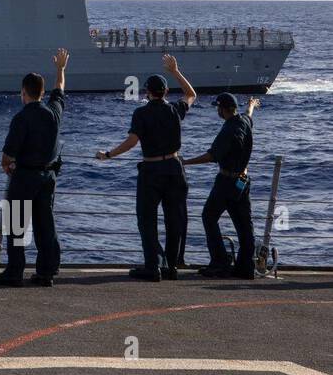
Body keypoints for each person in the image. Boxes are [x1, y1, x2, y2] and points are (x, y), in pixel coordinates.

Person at [95, 54, 197, 281]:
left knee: (146, 219)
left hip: (151, 171)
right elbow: (191, 94)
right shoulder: (174, 110)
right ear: (166, 92)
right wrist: (175, 71)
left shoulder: (141, 113)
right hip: (174, 167)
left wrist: (108, 154)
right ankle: (171, 267)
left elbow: (132, 142)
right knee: (174, 220)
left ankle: (153, 266)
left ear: (147, 92)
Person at [0, 48, 67, 287]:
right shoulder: (54, 112)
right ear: (42, 93)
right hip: (48, 177)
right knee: (46, 225)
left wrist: (8, 166)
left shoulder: (21, 118)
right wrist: (61, 69)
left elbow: (7, 156)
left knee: (16, 226)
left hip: (24, 177)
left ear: (23, 92)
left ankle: (14, 272)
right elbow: (60, 90)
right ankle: (47, 271)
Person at [183, 93, 260, 279]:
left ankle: (220, 263)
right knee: (244, 224)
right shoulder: (243, 121)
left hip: (226, 181)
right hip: (242, 180)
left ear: (222, 109)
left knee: (208, 217)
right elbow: (249, 115)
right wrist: (251, 105)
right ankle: (246, 266)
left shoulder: (229, 131)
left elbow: (211, 156)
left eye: (218, 108)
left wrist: (184, 162)